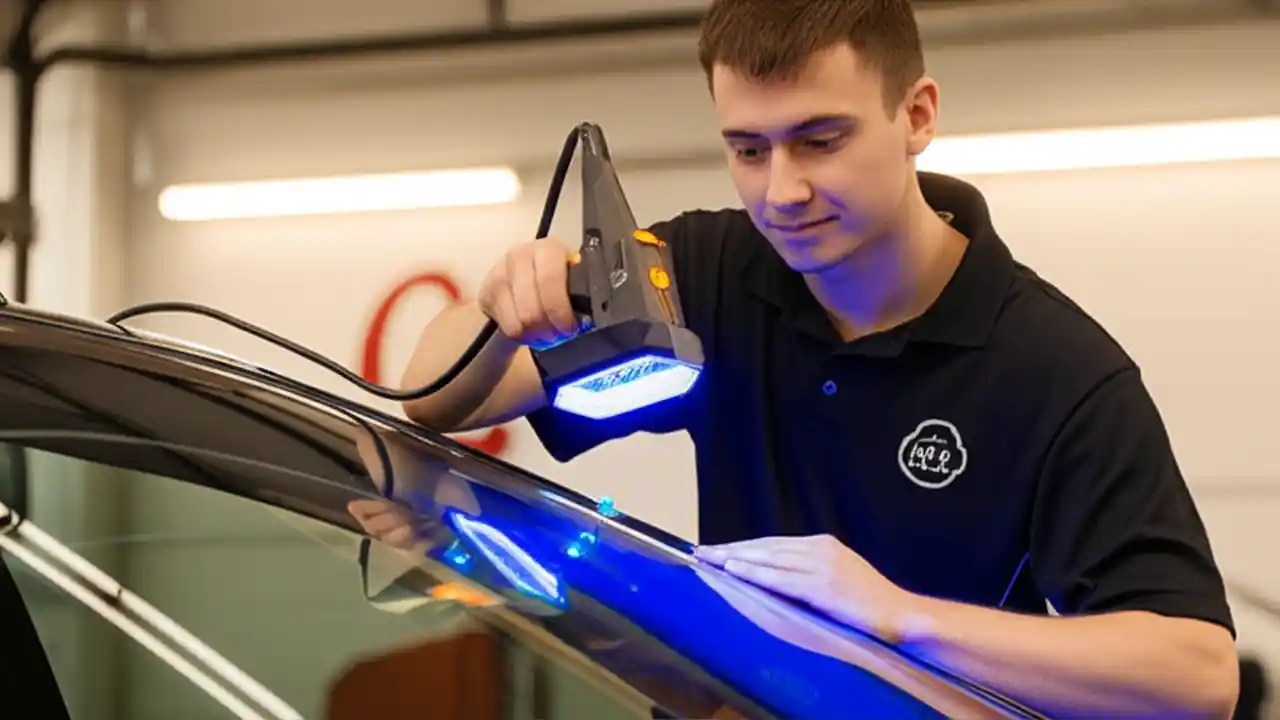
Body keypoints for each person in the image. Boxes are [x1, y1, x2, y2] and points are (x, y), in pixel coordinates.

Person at [399, 0, 1240, 716]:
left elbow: (1198, 676)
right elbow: (435, 400)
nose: (781, 192)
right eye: (749, 149)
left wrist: (898, 618)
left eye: (819, 140)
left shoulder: (1056, 370)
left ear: (917, 116)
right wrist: (502, 301)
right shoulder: (703, 271)